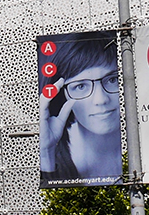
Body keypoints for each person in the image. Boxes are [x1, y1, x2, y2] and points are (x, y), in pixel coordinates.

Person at [40, 35, 122, 184]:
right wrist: (46, 153)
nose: (101, 100)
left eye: (112, 80)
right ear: (62, 95)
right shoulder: (55, 156)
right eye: (80, 86)